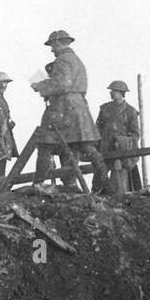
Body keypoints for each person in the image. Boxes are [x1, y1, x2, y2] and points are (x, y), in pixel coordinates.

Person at [31, 30, 109, 194]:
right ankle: (88, 184)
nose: (52, 50)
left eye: (52, 46)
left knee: (45, 143)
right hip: (79, 107)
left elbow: (62, 84)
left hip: (63, 108)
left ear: (58, 43)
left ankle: (38, 184)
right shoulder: (77, 60)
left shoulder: (62, 60)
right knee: (80, 146)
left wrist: (41, 86)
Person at [95, 80, 142, 193]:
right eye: (111, 91)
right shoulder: (104, 109)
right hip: (105, 147)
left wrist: (122, 141)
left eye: (114, 91)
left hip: (122, 150)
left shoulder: (131, 111)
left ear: (121, 93)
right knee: (100, 174)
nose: (111, 93)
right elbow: (97, 128)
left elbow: (135, 134)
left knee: (124, 181)